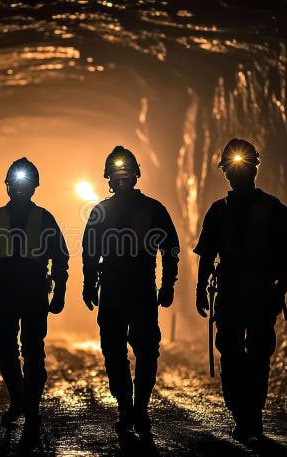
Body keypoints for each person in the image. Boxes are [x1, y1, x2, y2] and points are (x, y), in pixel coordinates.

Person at [193, 139, 287, 442]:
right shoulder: (220, 211)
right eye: (233, 169)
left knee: (256, 355)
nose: (236, 174)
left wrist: (279, 292)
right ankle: (243, 413)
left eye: (241, 168)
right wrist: (201, 288)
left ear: (253, 170)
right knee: (234, 352)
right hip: (236, 294)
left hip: (259, 294)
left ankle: (249, 415)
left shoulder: (273, 209)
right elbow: (207, 254)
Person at [82, 146, 180, 446]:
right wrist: (166, 284)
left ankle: (134, 408)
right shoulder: (151, 208)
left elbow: (170, 249)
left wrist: (168, 284)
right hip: (129, 289)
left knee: (138, 351)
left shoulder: (136, 210)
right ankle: (131, 408)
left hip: (128, 289)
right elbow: (89, 252)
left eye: (124, 175)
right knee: (123, 352)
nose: (121, 179)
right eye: (117, 175)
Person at [0, 157, 68, 447]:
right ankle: (19, 400)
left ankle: (30, 407)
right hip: (12, 290)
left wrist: (61, 290)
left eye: (24, 184)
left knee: (31, 349)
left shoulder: (42, 218)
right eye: (18, 183)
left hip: (32, 290)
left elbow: (61, 256)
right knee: (6, 345)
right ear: (9, 186)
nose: (20, 189)